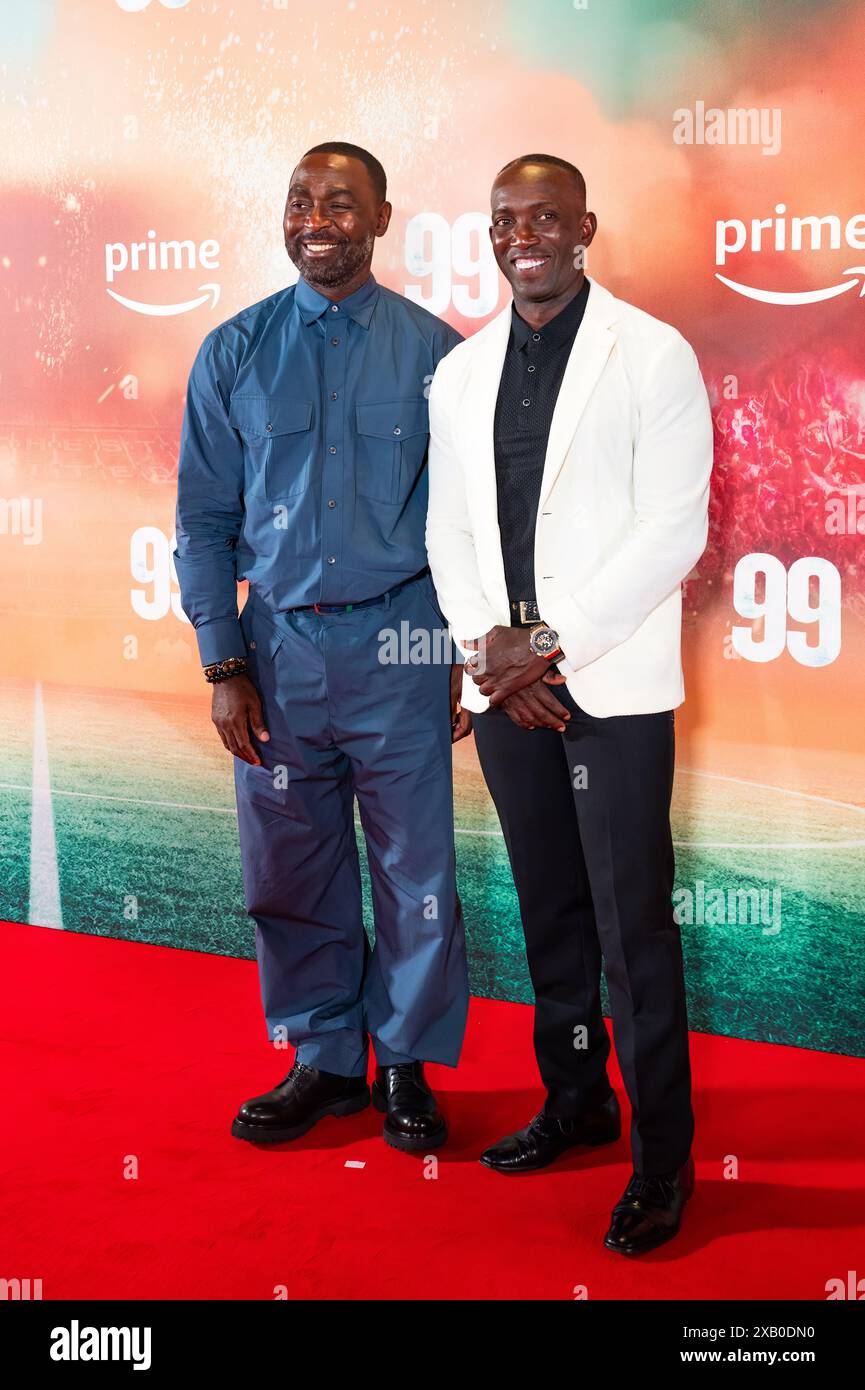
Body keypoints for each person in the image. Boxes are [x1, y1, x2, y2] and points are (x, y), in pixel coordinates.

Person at [426, 153, 713, 1252]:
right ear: (490, 234)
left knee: (632, 928)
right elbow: (446, 532)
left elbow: (670, 531)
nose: (524, 234)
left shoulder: (653, 354)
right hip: (509, 690)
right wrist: (491, 652)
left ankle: (662, 1160)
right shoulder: (460, 375)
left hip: (613, 687)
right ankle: (577, 1099)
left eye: (546, 215)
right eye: (506, 218)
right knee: (550, 911)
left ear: (584, 226)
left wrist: (548, 645)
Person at [175, 142, 470, 1155]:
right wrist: (225, 663)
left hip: (403, 644)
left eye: (340, 202)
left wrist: (462, 651)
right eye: (300, 199)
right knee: (291, 867)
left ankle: (403, 1065)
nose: (315, 216)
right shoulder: (233, 352)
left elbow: (470, 526)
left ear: (382, 218)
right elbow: (204, 520)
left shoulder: (441, 355)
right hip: (279, 655)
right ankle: (323, 1058)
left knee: (415, 867)